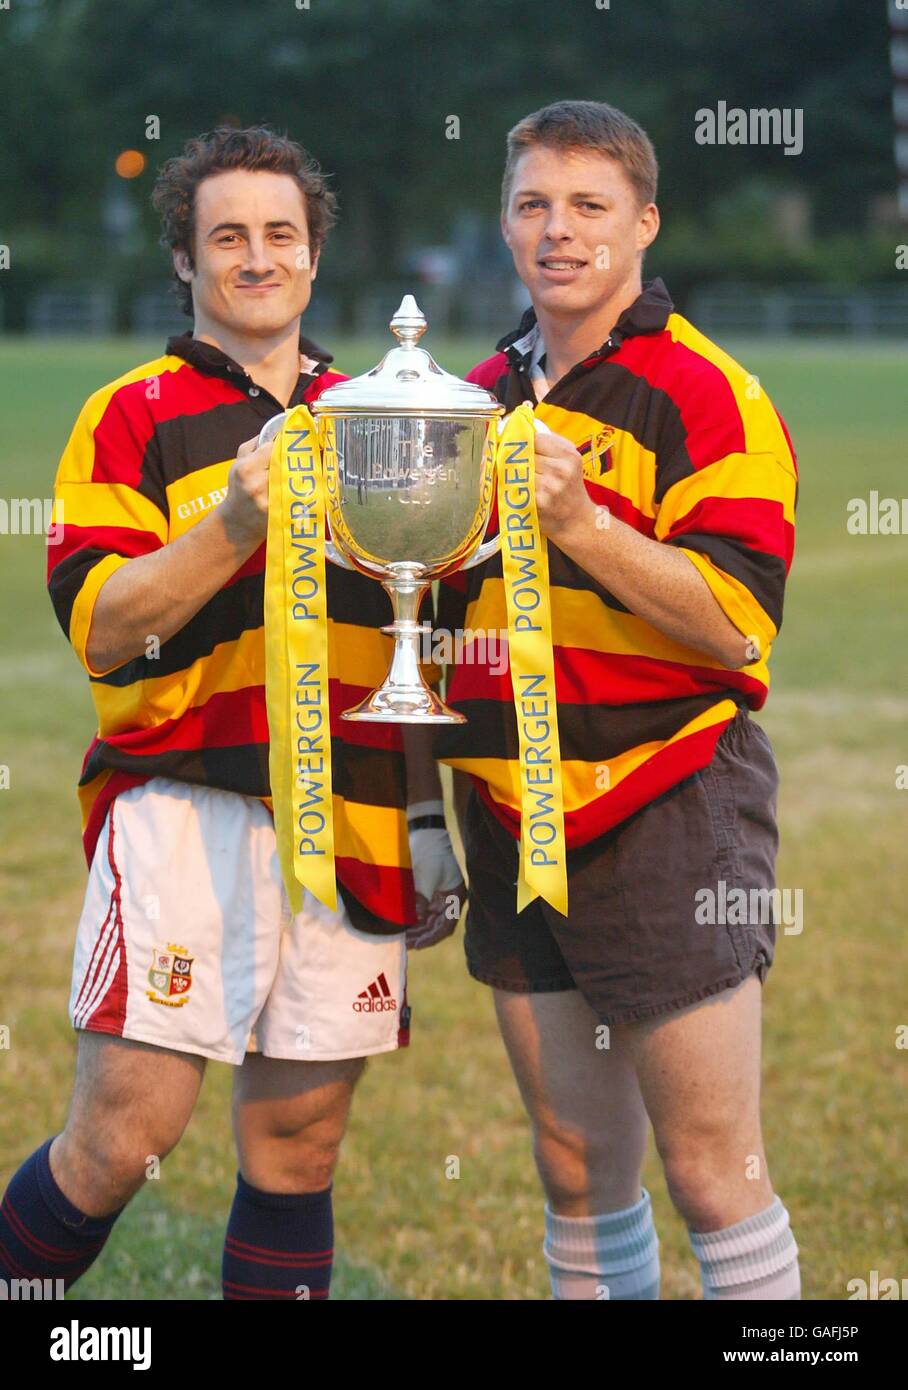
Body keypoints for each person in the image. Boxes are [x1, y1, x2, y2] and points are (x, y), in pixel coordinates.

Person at [0, 125, 463, 1301]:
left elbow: (412, 629)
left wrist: (423, 819)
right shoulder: (129, 414)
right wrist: (233, 526)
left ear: (313, 259)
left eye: (279, 235)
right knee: (123, 1139)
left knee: (298, 1148)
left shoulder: (378, 415)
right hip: (183, 812)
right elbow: (103, 623)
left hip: (351, 817)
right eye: (226, 237)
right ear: (184, 261)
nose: (255, 258)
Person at [436, 100, 800, 1300]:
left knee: (709, 1168)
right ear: (504, 223)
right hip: (507, 811)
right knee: (576, 1165)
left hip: (659, 802)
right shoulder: (473, 397)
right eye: (534, 204)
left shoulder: (705, 390)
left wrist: (581, 526)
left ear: (643, 223)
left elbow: (736, 622)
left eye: (589, 206)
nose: (558, 231)